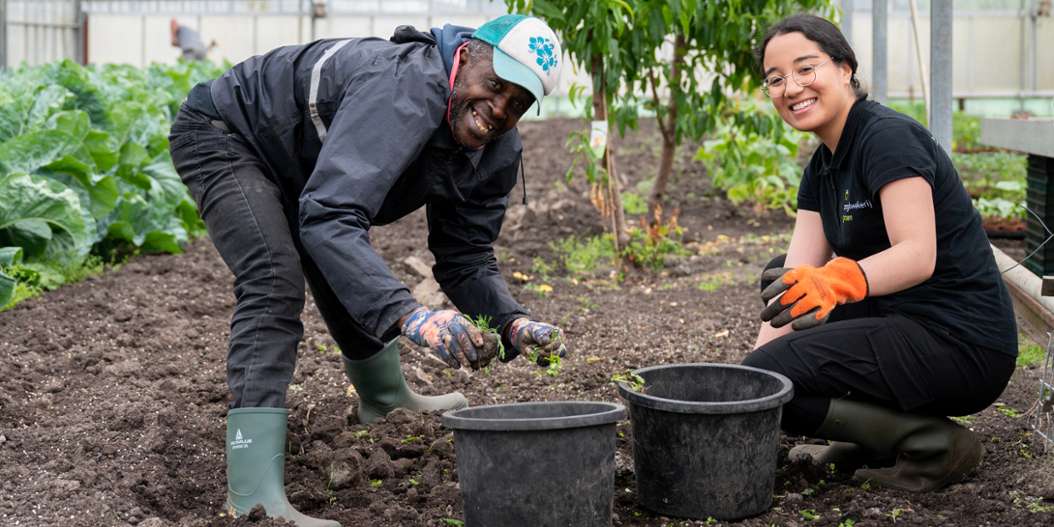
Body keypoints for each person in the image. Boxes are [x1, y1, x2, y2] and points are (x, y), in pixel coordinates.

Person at [168, 15, 567, 526]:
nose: (498, 110)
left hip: (306, 164)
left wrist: (512, 322)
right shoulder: (404, 88)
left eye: (518, 103)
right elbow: (331, 215)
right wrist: (410, 316)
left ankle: (383, 397)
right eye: (494, 86)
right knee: (273, 280)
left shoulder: (497, 150)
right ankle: (254, 498)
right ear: (465, 56)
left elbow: (465, 255)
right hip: (231, 135)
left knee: (333, 245)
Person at [741, 14, 1017, 493]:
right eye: (775, 78)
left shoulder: (886, 138)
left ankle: (931, 444)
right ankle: (874, 440)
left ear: (845, 68)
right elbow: (791, 285)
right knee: (766, 375)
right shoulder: (821, 169)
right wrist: (745, 384)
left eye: (806, 69)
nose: (791, 87)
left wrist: (835, 281)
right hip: (903, 325)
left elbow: (918, 254)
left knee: (776, 375)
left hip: (961, 340)